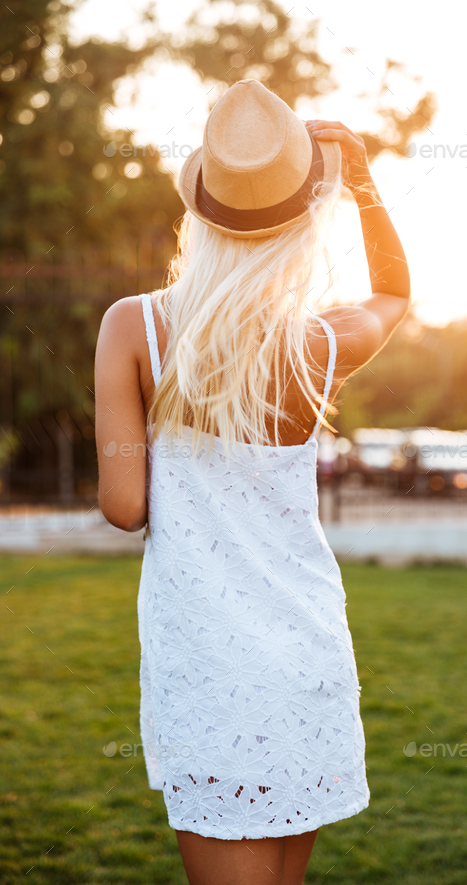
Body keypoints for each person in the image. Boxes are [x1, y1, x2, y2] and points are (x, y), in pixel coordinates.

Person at [95, 79, 410, 885]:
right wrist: (364, 181)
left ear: (201, 206)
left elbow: (124, 505)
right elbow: (394, 296)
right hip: (308, 652)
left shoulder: (134, 326)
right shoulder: (320, 347)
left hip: (210, 665)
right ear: (303, 219)